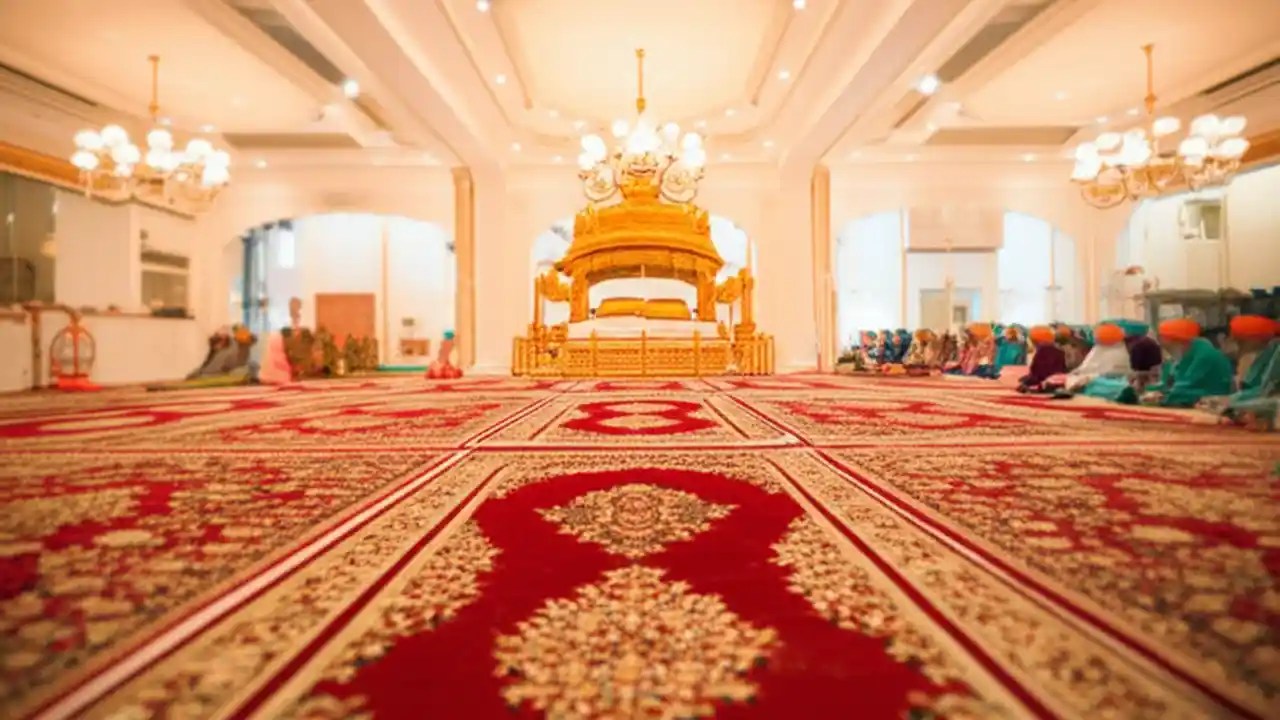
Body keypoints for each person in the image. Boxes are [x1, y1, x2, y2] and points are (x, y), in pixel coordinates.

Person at [1142, 318, 1234, 407]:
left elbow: (1185, 386)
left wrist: (1161, 396)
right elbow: (1168, 383)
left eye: (1168, 347)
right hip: (1191, 400)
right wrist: (1150, 390)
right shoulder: (1182, 355)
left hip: (1212, 402)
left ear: (1180, 341)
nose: (1167, 351)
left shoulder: (1204, 355)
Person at [1068, 323, 1131, 394]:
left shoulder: (1101, 350)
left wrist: (1077, 375)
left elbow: (1090, 371)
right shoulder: (1121, 349)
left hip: (1099, 388)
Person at [1018, 325, 1066, 392]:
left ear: (1034, 340)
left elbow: (1038, 375)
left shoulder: (1042, 351)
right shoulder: (1058, 350)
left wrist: (1025, 382)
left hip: (1047, 386)